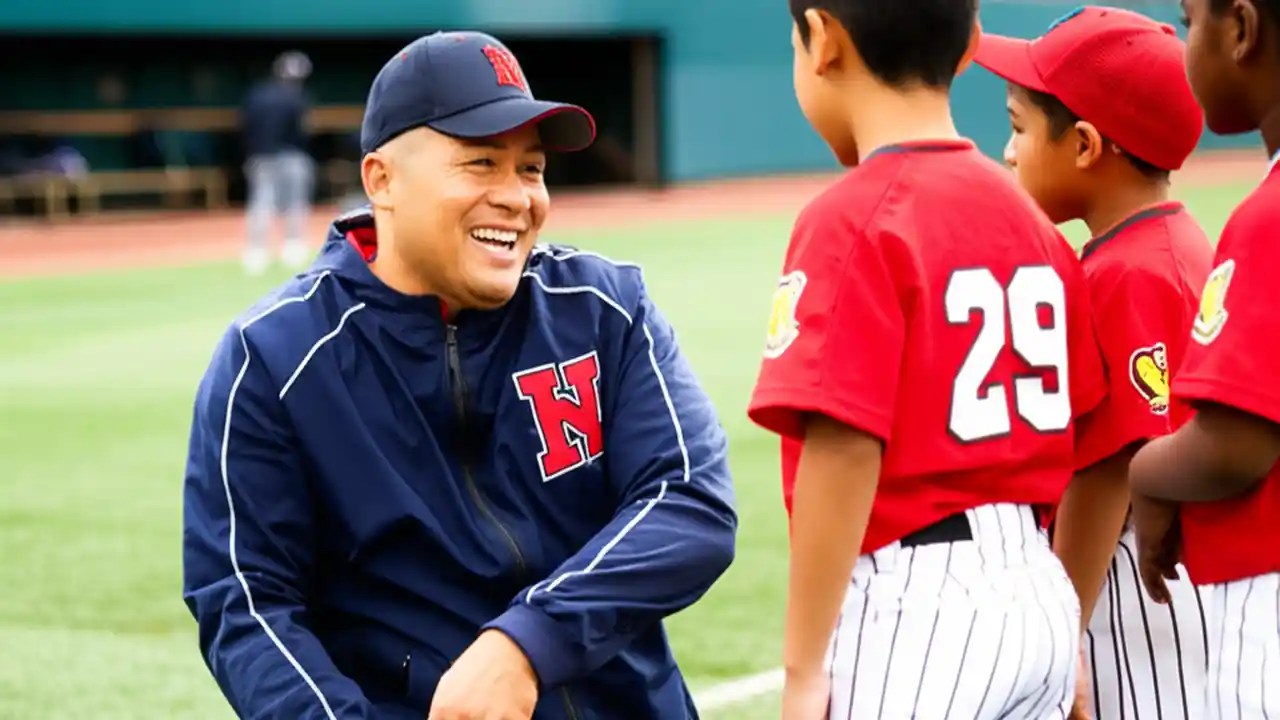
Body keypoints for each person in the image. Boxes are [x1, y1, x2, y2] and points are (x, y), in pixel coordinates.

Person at [182, 31, 737, 720]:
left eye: (531, 169)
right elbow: (246, 600)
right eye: (480, 163)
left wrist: (527, 643)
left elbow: (691, 504)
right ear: (380, 179)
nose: (517, 198)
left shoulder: (604, 309)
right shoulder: (274, 358)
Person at [746, 1, 1109, 718]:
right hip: (1036, 582)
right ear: (972, 44)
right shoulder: (1034, 224)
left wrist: (802, 667)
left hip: (917, 606)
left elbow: (844, 451)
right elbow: (1077, 436)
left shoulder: (851, 217)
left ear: (821, 40)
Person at [973, 7, 1215, 719]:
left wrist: (1056, 636)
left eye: (1018, 127)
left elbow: (1111, 470)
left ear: (1083, 145)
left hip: (1142, 617)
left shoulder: (1129, 273)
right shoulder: (1167, 243)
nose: (1008, 152)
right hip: (1171, 605)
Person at [1129, 0, 1280, 716]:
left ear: (1243, 29)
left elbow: (1235, 445)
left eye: (1191, 20)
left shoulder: (1270, 216)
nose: (1190, 41)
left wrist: (1147, 474)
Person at [240, 50, 316, 274]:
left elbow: (245, 127)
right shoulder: (298, 97)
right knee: (294, 202)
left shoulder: (257, 94)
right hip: (291, 155)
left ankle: (257, 252)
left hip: (261, 156)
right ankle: (293, 248)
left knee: (261, 203)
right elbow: (303, 130)